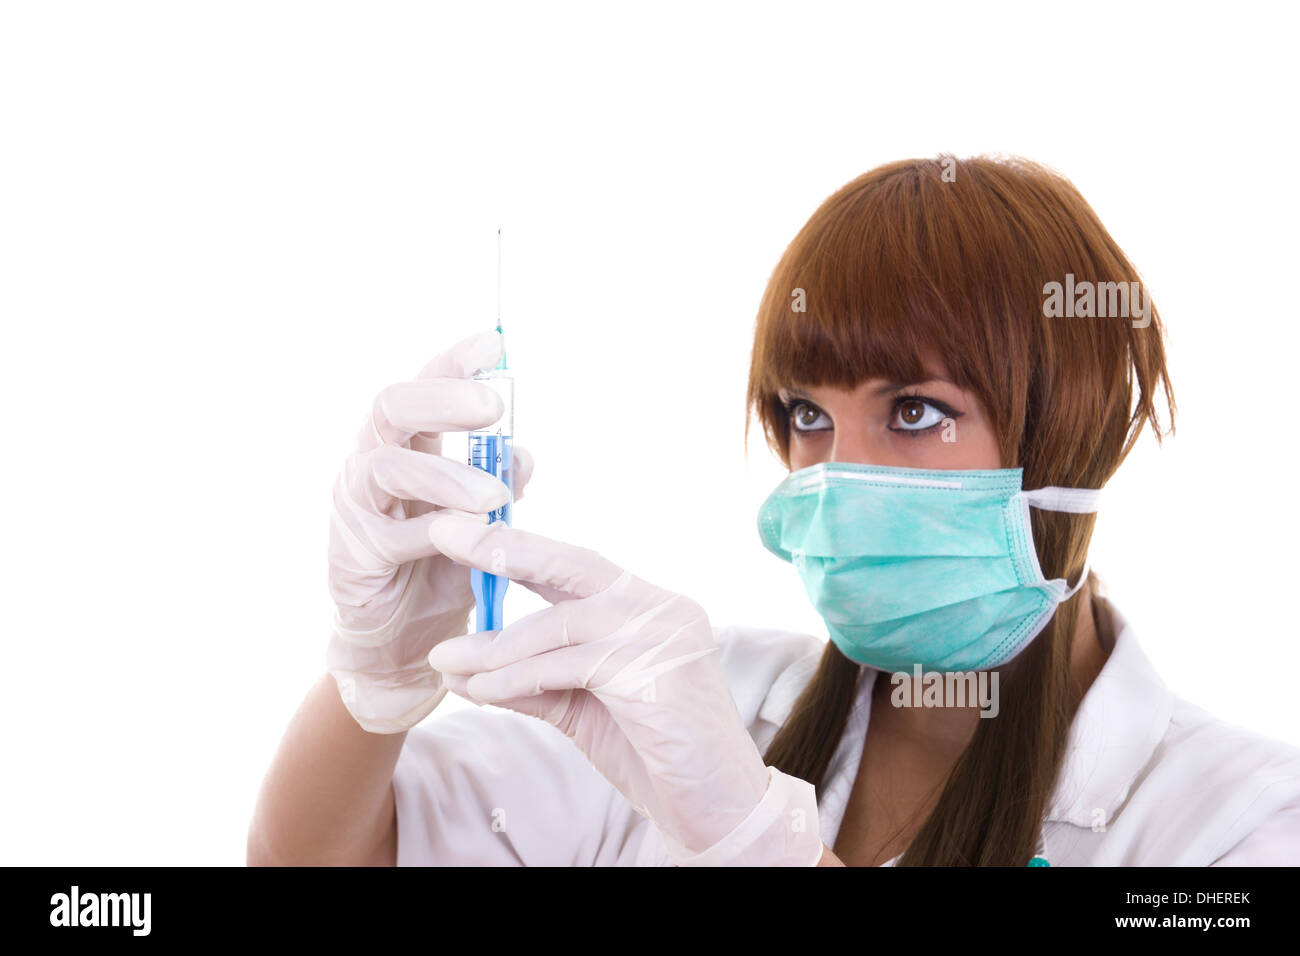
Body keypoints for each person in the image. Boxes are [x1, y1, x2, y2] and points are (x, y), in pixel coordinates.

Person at [247, 155, 1300, 867]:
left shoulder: (1240, 818)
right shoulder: (693, 706)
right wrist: (373, 684)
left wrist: (754, 836)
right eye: (805, 412)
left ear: (1068, 434)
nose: (836, 473)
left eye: (916, 409)